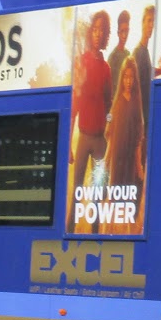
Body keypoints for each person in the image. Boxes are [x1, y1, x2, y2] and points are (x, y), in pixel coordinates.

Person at [102, 56, 146, 231]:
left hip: (129, 158)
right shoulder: (117, 102)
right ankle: (105, 232)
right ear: (122, 78)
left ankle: (129, 234)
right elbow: (110, 128)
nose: (128, 81)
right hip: (116, 157)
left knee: (127, 199)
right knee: (112, 197)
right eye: (125, 77)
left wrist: (138, 164)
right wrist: (107, 158)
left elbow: (139, 133)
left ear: (135, 79)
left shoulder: (136, 102)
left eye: (131, 77)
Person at [70, 10, 112, 191]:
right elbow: (74, 107)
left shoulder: (106, 68)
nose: (98, 34)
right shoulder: (81, 62)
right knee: (77, 190)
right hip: (83, 138)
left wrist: (109, 127)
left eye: (102, 30)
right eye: (95, 29)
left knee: (98, 192)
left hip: (100, 140)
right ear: (90, 32)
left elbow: (109, 107)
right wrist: (68, 145)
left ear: (105, 34)